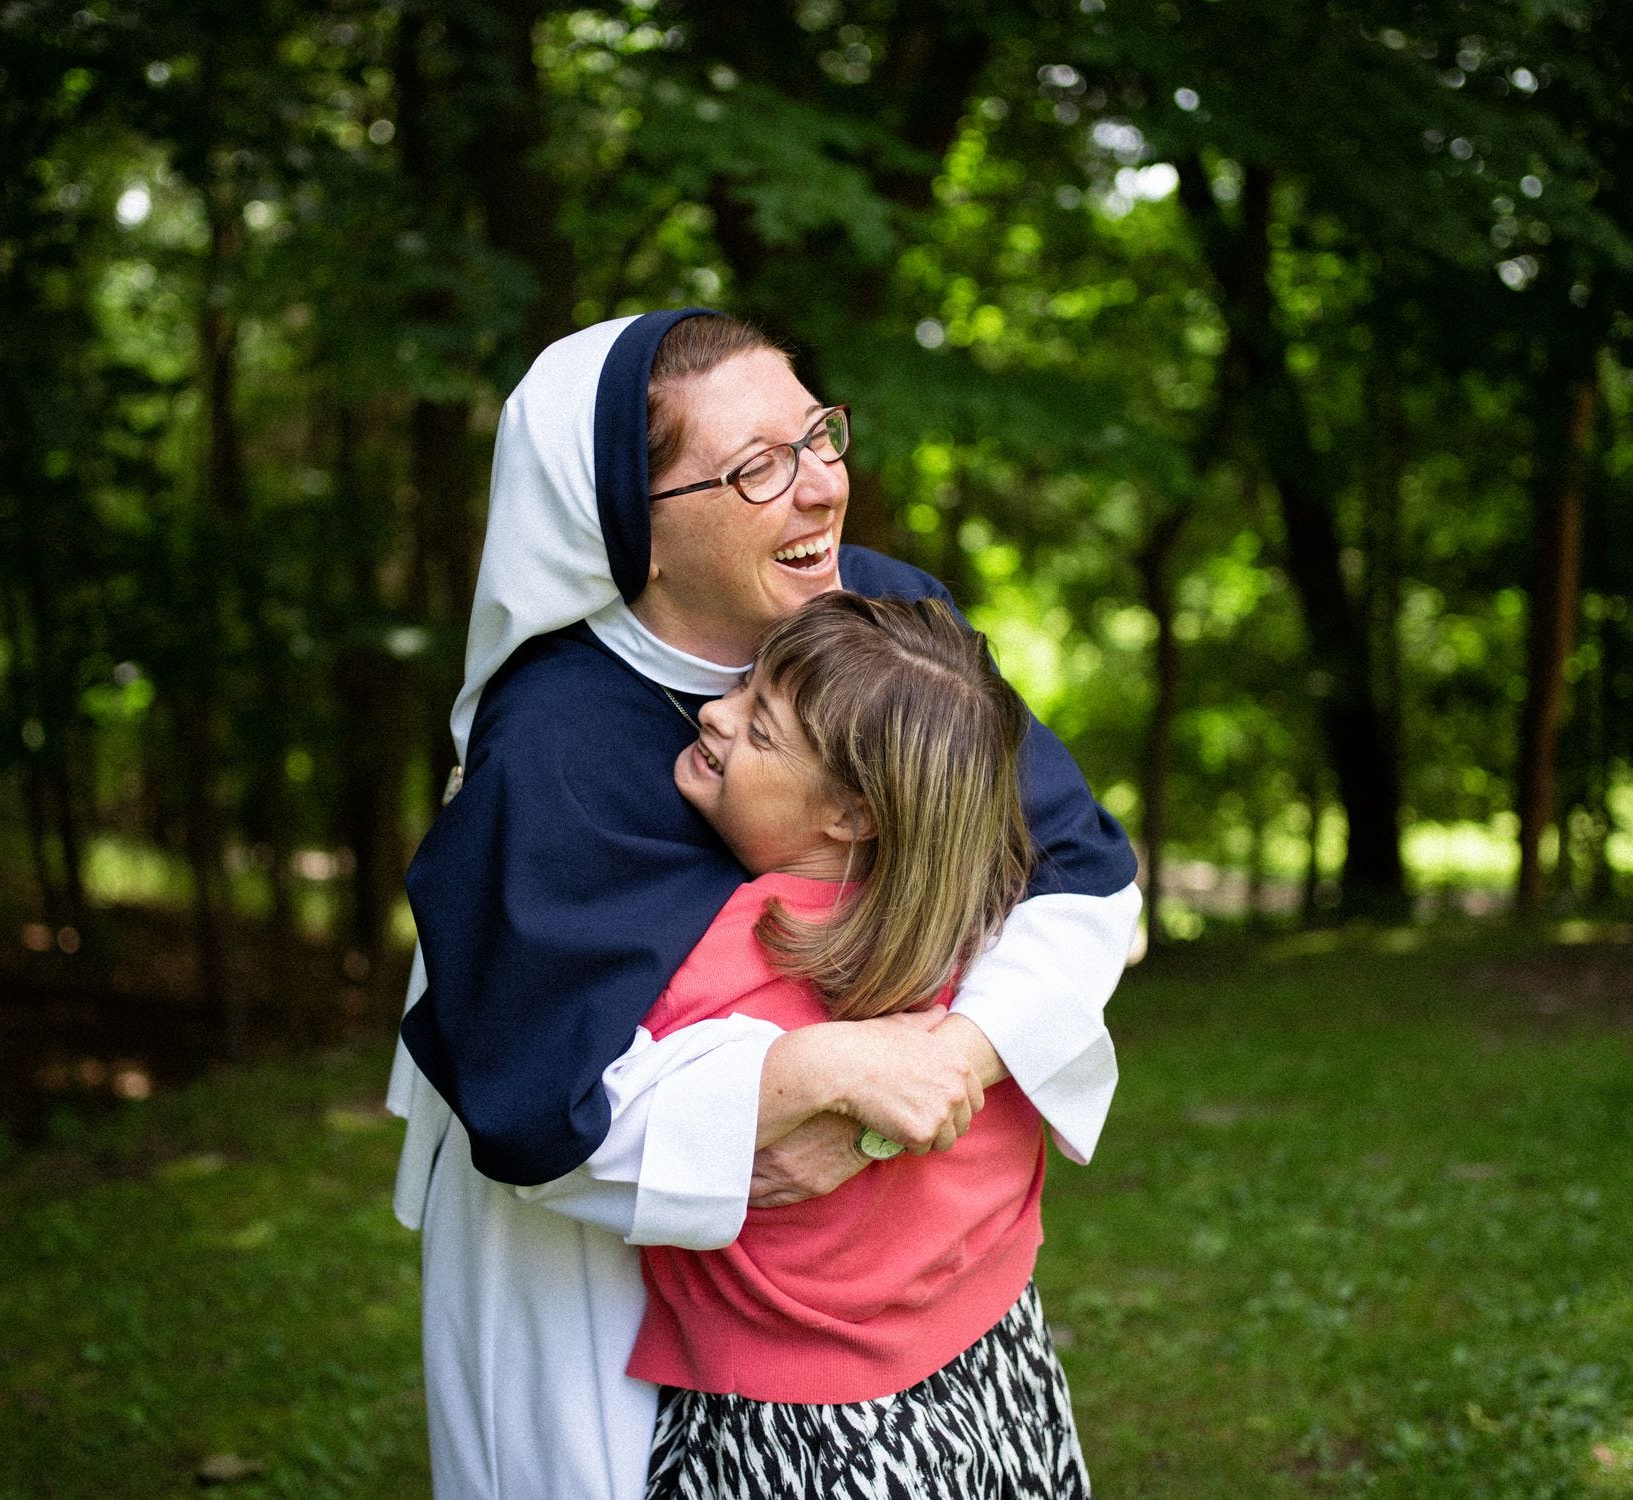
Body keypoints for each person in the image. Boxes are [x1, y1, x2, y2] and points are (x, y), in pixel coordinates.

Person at [384, 308, 1140, 1500]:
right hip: (599, 1287)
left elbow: (1082, 876)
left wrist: (949, 1057)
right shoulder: (553, 752)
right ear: (632, 525)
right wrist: (809, 1083)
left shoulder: (889, 624)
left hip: (913, 1298)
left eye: (817, 436)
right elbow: (539, 1108)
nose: (820, 490)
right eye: (754, 467)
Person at [634, 591, 1088, 1497]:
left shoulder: (706, 962)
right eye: (742, 686)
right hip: (1002, 1361)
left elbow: (574, 1114)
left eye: (760, 730)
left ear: (850, 813)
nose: (713, 715)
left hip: (797, 1425)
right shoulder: (978, 932)